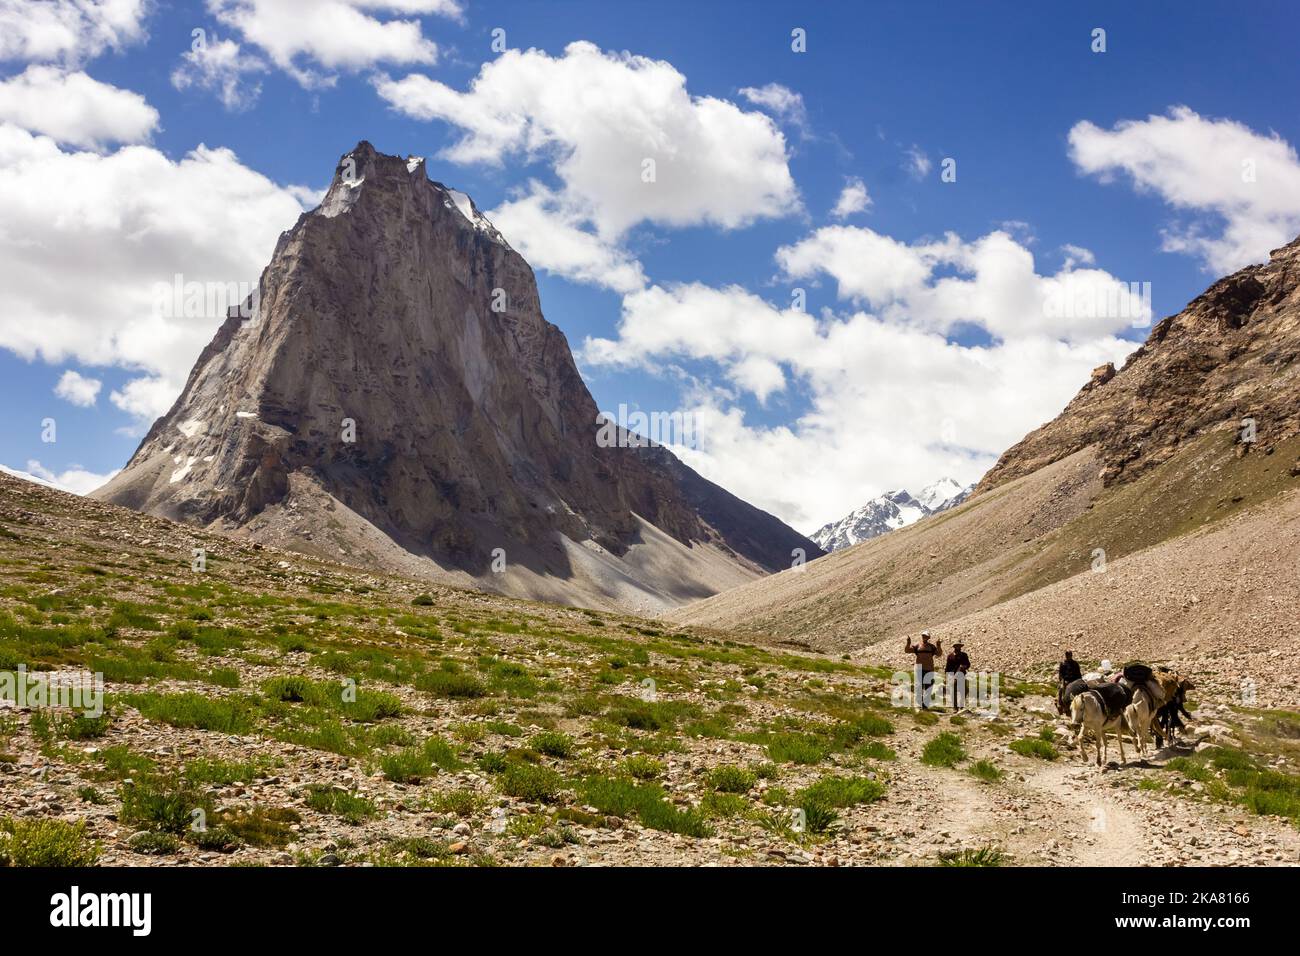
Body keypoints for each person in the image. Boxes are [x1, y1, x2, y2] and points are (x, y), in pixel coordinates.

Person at [904, 630, 942, 709]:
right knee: (918, 687)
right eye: (923, 636)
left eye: (926, 636)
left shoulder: (932, 647)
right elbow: (907, 650)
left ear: (928, 637)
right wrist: (908, 642)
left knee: (928, 687)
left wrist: (939, 645)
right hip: (919, 669)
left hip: (929, 669)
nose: (924, 637)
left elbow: (939, 654)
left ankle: (925, 704)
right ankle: (918, 704)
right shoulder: (917, 645)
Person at [944, 641, 971, 710]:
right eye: (957, 645)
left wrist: (964, 667)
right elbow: (947, 667)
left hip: (961, 675)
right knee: (953, 691)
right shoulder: (950, 656)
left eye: (959, 646)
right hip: (952, 675)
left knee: (965, 690)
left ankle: (961, 705)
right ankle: (955, 707)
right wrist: (946, 676)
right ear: (954, 647)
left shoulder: (964, 655)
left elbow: (968, 664)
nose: (958, 647)